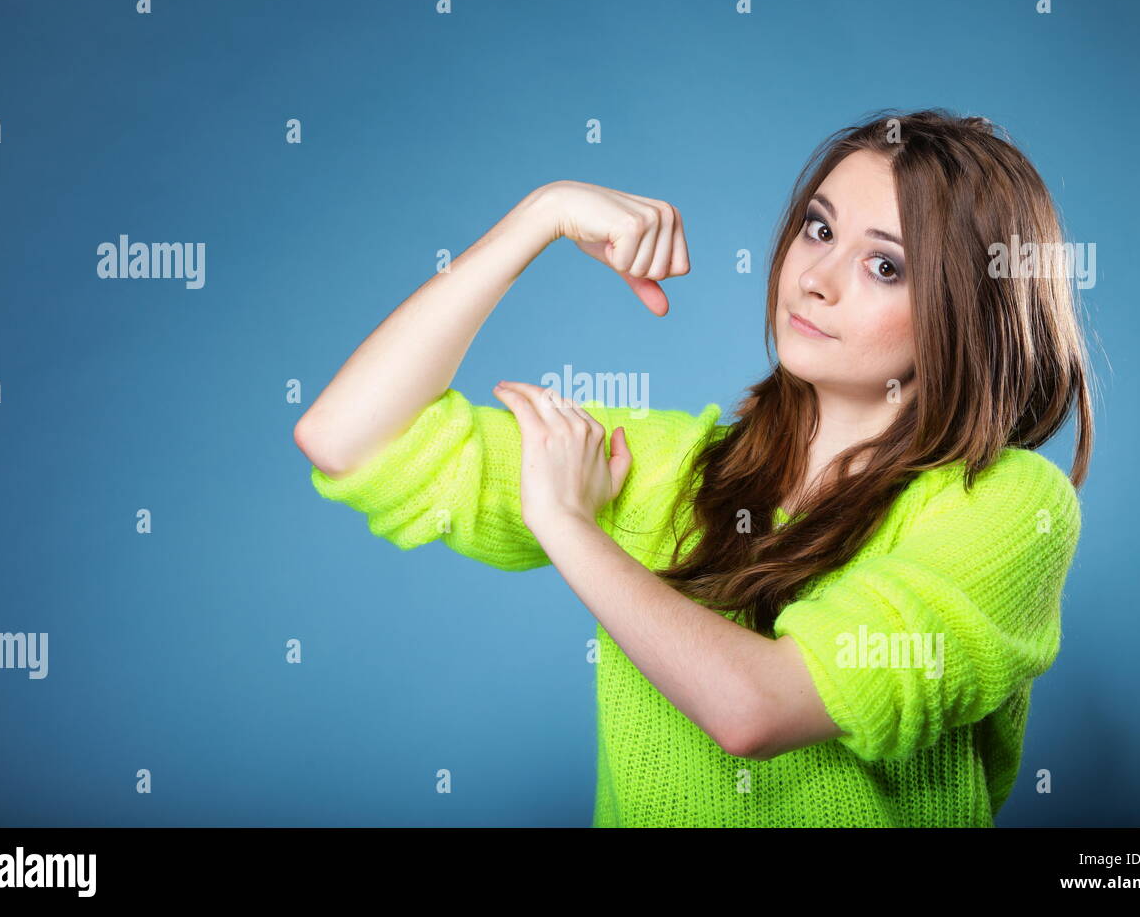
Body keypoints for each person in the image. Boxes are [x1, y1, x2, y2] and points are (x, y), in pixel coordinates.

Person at [295, 108, 1092, 827]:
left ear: (968, 310)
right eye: (819, 230)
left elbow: (756, 709)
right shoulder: (665, 466)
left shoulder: (1009, 506)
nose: (814, 279)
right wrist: (539, 217)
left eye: (886, 266)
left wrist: (568, 525)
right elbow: (347, 436)